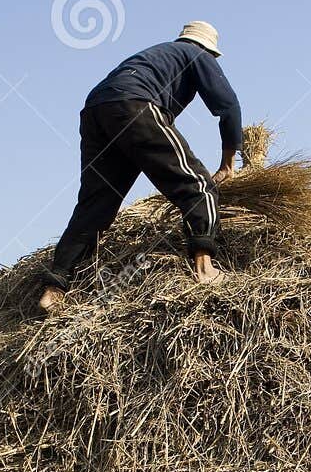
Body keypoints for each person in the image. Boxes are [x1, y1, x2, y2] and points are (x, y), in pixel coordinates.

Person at [38, 21, 242, 312]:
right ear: (209, 49)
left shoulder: (156, 55)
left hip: (96, 110)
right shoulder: (197, 55)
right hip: (135, 105)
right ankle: (205, 267)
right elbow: (228, 106)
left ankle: (54, 287)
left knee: (96, 204)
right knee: (198, 184)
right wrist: (227, 163)